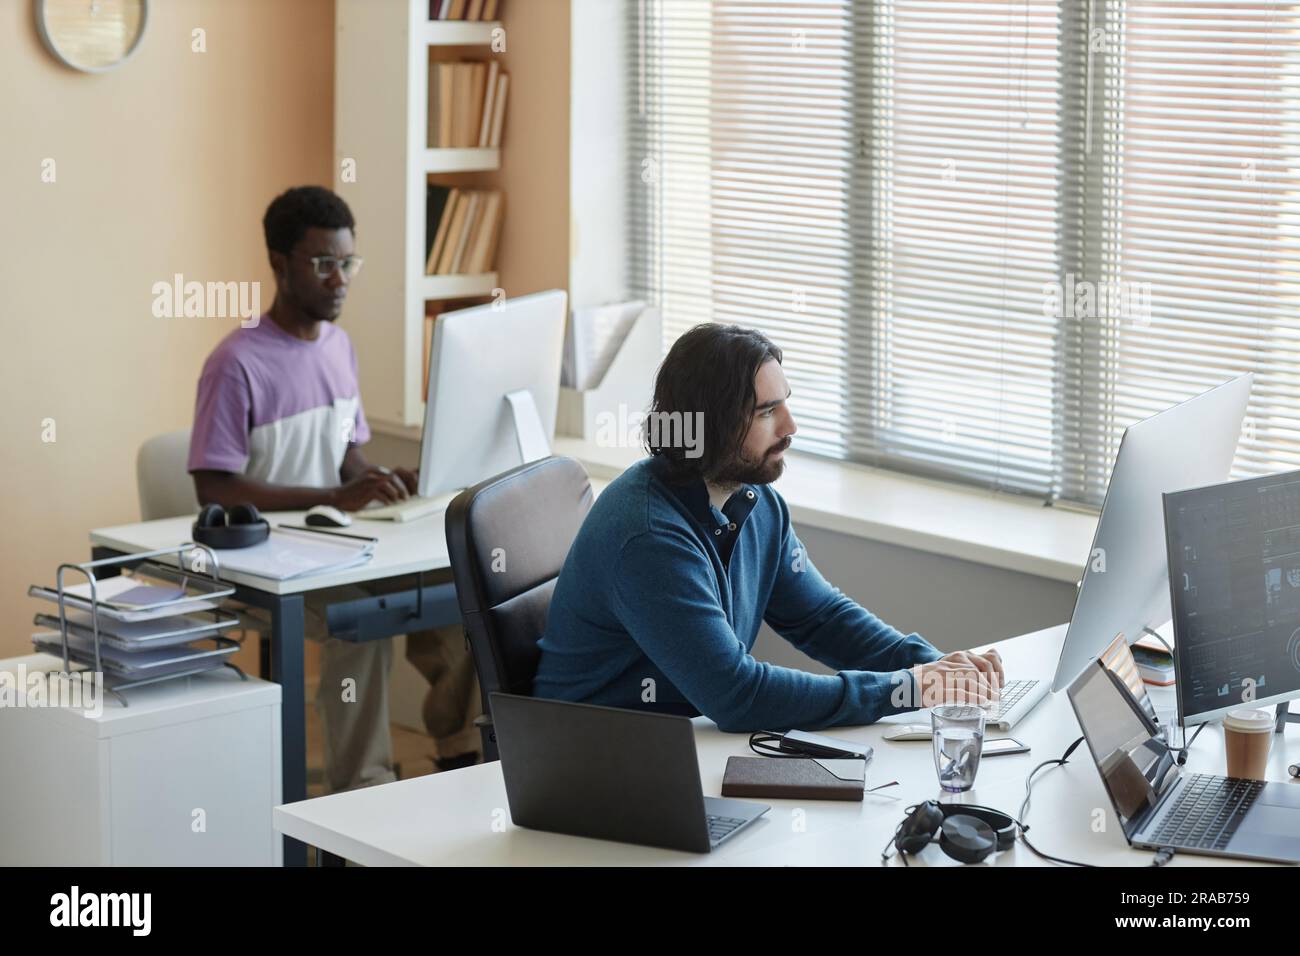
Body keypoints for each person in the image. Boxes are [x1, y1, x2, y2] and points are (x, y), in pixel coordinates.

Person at [534, 323, 1003, 732]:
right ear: (710, 424)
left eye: (786, 405)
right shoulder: (649, 538)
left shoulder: (754, 501)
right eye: (765, 412)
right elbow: (738, 695)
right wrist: (909, 689)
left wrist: (937, 666)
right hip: (597, 765)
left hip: (680, 746)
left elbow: (822, 618)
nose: (790, 426)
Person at [187, 186, 480, 791]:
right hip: (265, 565)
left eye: (348, 263)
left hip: (335, 547)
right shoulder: (236, 362)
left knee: (465, 598)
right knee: (362, 622)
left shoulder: (339, 347)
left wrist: (371, 480)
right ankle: (362, 790)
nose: (339, 279)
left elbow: (344, 450)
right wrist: (328, 496)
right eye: (323, 264)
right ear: (278, 262)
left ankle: (460, 751)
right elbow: (212, 486)